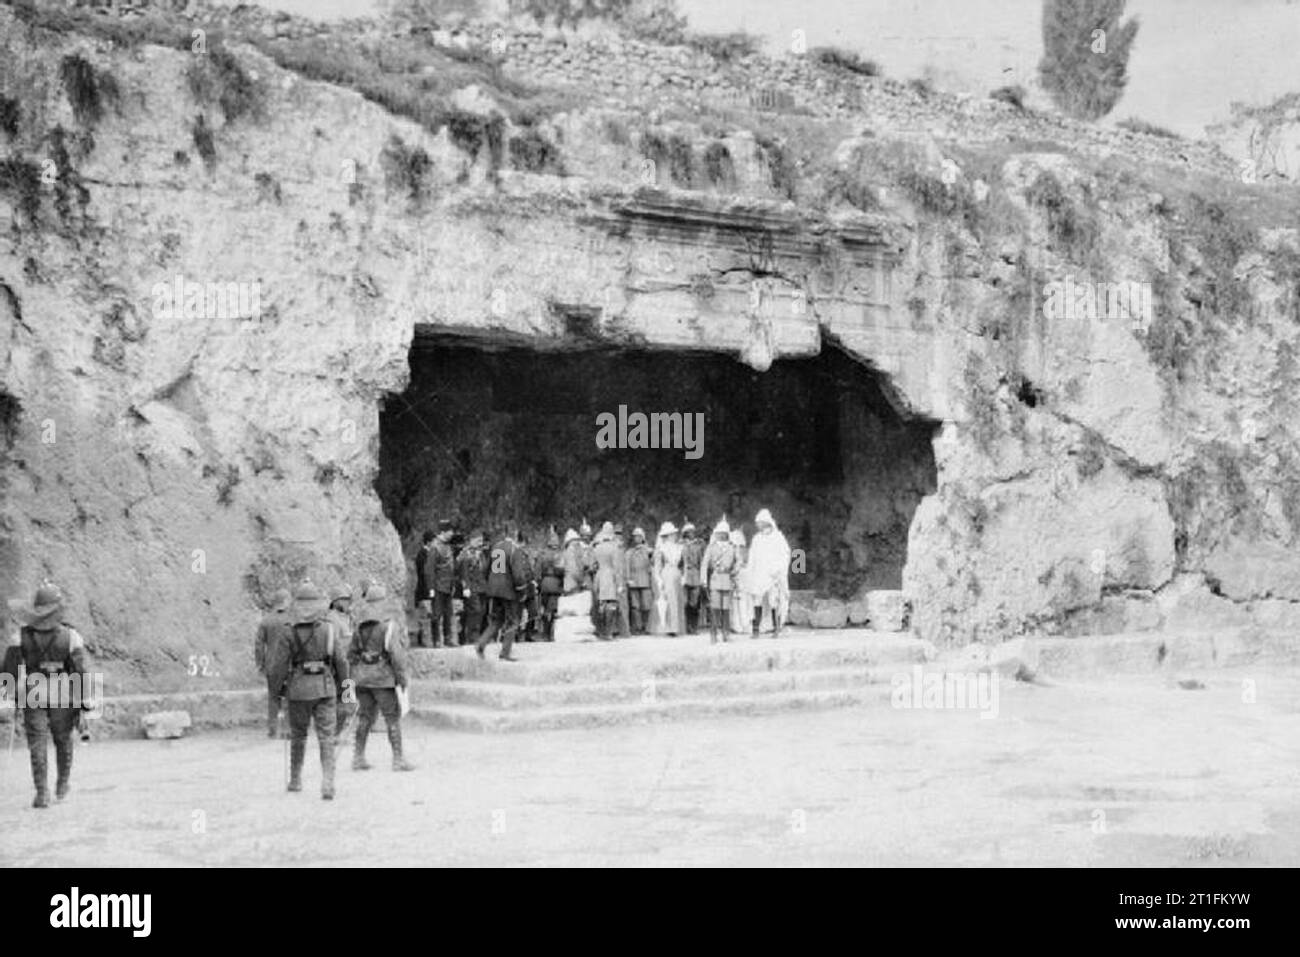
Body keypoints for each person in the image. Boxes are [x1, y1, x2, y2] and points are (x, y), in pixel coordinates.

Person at [1, 583, 95, 809]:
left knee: (37, 743)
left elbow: (9, 669)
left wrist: (10, 695)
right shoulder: (71, 636)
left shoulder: (19, 636)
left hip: (33, 692)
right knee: (63, 741)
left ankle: (42, 793)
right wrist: (86, 701)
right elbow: (80, 670)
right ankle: (62, 785)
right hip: (63, 692)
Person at [269, 581, 352, 800]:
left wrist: (276, 694)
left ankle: (296, 779)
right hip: (325, 688)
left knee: (298, 736)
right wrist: (347, 693)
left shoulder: (288, 632)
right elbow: (342, 663)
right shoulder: (329, 629)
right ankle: (327, 783)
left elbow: (278, 667)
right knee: (326, 737)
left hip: (298, 690)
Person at [348, 584, 415, 772]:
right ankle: (398, 759)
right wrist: (402, 679)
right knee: (392, 717)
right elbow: (397, 655)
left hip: (362, 677)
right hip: (383, 678)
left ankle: (358, 757)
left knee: (364, 717)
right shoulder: (389, 625)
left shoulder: (359, 627)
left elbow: (351, 654)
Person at [477, 524, 530, 662]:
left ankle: (481, 644)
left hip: (493, 590)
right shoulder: (514, 550)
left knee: (496, 620)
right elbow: (518, 575)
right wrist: (522, 590)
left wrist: (490, 583)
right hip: (508, 591)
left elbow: (484, 569)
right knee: (513, 621)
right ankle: (505, 652)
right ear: (515, 535)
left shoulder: (495, 547)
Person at [748, 508, 792, 639]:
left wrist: (778, 569)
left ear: (766, 522)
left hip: (773, 574)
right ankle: (755, 630)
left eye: (760, 522)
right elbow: (752, 556)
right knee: (757, 600)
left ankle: (776, 628)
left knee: (774, 601)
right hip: (759, 574)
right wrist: (750, 570)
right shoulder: (757, 538)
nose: (758, 525)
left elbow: (785, 554)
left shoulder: (778, 537)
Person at [255, 588, 292, 738]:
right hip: (289, 664)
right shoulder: (292, 620)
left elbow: (258, 645)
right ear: (284, 601)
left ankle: (272, 729)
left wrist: (261, 664)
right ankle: (287, 730)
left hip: (272, 665)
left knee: (273, 697)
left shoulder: (266, 620)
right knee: (289, 697)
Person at [702, 520, 740, 643]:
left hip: (727, 578)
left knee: (726, 609)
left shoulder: (732, 547)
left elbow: (739, 561)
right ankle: (713, 634)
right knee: (715, 608)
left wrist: (735, 570)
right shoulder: (711, 547)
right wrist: (704, 580)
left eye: (724, 533)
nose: (722, 535)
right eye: (719, 533)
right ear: (716, 533)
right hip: (716, 578)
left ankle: (726, 633)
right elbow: (704, 564)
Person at [328, 583, 358, 741]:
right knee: (344, 698)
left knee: (348, 698)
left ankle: (341, 729)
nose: (348, 603)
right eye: (345, 600)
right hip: (339, 666)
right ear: (336, 601)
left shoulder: (347, 617)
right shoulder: (331, 618)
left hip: (348, 663)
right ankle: (336, 732)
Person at [590, 521, 625, 641]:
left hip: (599, 575)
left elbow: (592, 564)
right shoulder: (614, 548)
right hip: (609, 575)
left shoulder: (597, 548)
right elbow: (617, 567)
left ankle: (601, 631)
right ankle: (608, 632)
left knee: (601, 604)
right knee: (611, 604)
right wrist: (620, 584)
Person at [425, 520, 458, 647]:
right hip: (438, 586)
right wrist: (431, 587)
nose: (452, 533)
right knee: (436, 614)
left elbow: (451, 566)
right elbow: (429, 569)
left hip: (448, 585)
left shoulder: (448, 547)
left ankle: (448, 638)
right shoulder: (435, 548)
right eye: (450, 531)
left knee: (448, 613)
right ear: (443, 532)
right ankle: (436, 640)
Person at [456, 530, 489, 644]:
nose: (480, 543)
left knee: (482, 611)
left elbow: (484, 569)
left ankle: (476, 634)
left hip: (482, 587)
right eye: (478, 540)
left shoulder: (481, 553)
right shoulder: (465, 554)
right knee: (475, 610)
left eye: (481, 540)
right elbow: (463, 572)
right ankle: (472, 636)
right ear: (471, 540)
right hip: (471, 587)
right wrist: (466, 587)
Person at [653, 522, 686, 636]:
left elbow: (682, 563)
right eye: (672, 534)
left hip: (676, 573)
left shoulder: (678, 547)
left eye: (674, 534)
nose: (674, 536)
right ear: (666, 535)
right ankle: (669, 627)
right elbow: (657, 565)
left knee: (677, 600)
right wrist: (659, 579)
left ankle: (677, 627)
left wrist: (683, 575)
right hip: (666, 573)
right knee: (669, 600)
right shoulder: (661, 548)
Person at [535, 527, 564, 642]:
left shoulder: (542, 554)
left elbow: (537, 571)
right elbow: (563, 571)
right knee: (553, 610)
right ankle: (552, 633)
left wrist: (538, 583)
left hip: (545, 584)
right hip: (556, 585)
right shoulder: (560, 555)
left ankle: (545, 633)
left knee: (544, 609)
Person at [624, 527, 653, 635]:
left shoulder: (648, 550)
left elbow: (653, 563)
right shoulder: (629, 552)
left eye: (639, 536)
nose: (637, 538)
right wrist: (628, 579)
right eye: (635, 536)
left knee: (646, 605)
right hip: (634, 581)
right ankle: (637, 627)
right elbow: (626, 566)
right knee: (635, 606)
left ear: (643, 538)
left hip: (645, 580)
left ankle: (647, 626)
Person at [681, 522, 706, 635]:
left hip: (695, 575)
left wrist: (702, 577)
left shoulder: (699, 545)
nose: (691, 534)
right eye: (689, 532)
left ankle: (694, 626)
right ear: (685, 533)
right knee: (685, 602)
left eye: (692, 531)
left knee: (694, 603)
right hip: (684, 575)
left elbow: (702, 562)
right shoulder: (681, 545)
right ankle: (686, 626)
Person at [414, 530, 435, 647]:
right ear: (429, 542)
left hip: (430, 589)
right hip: (424, 590)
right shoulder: (422, 554)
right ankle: (424, 640)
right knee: (425, 616)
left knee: (430, 616)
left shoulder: (430, 553)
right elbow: (424, 574)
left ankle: (427, 639)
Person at [729, 528, 751, 635]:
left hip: (743, 578)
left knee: (742, 601)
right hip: (737, 577)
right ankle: (737, 625)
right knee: (736, 601)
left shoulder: (744, 551)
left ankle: (744, 624)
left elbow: (746, 564)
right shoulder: (733, 551)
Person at [613, 524, 631, 637]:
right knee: (614, 605)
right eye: (616, 533)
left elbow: (625, 566)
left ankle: (624, 630)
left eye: (620, 534)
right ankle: (615, 629)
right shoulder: (614, 549)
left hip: (621, 580)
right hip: (614, 580)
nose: (618, 536)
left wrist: (627, 578)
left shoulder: (623, 550)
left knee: (623, 606)